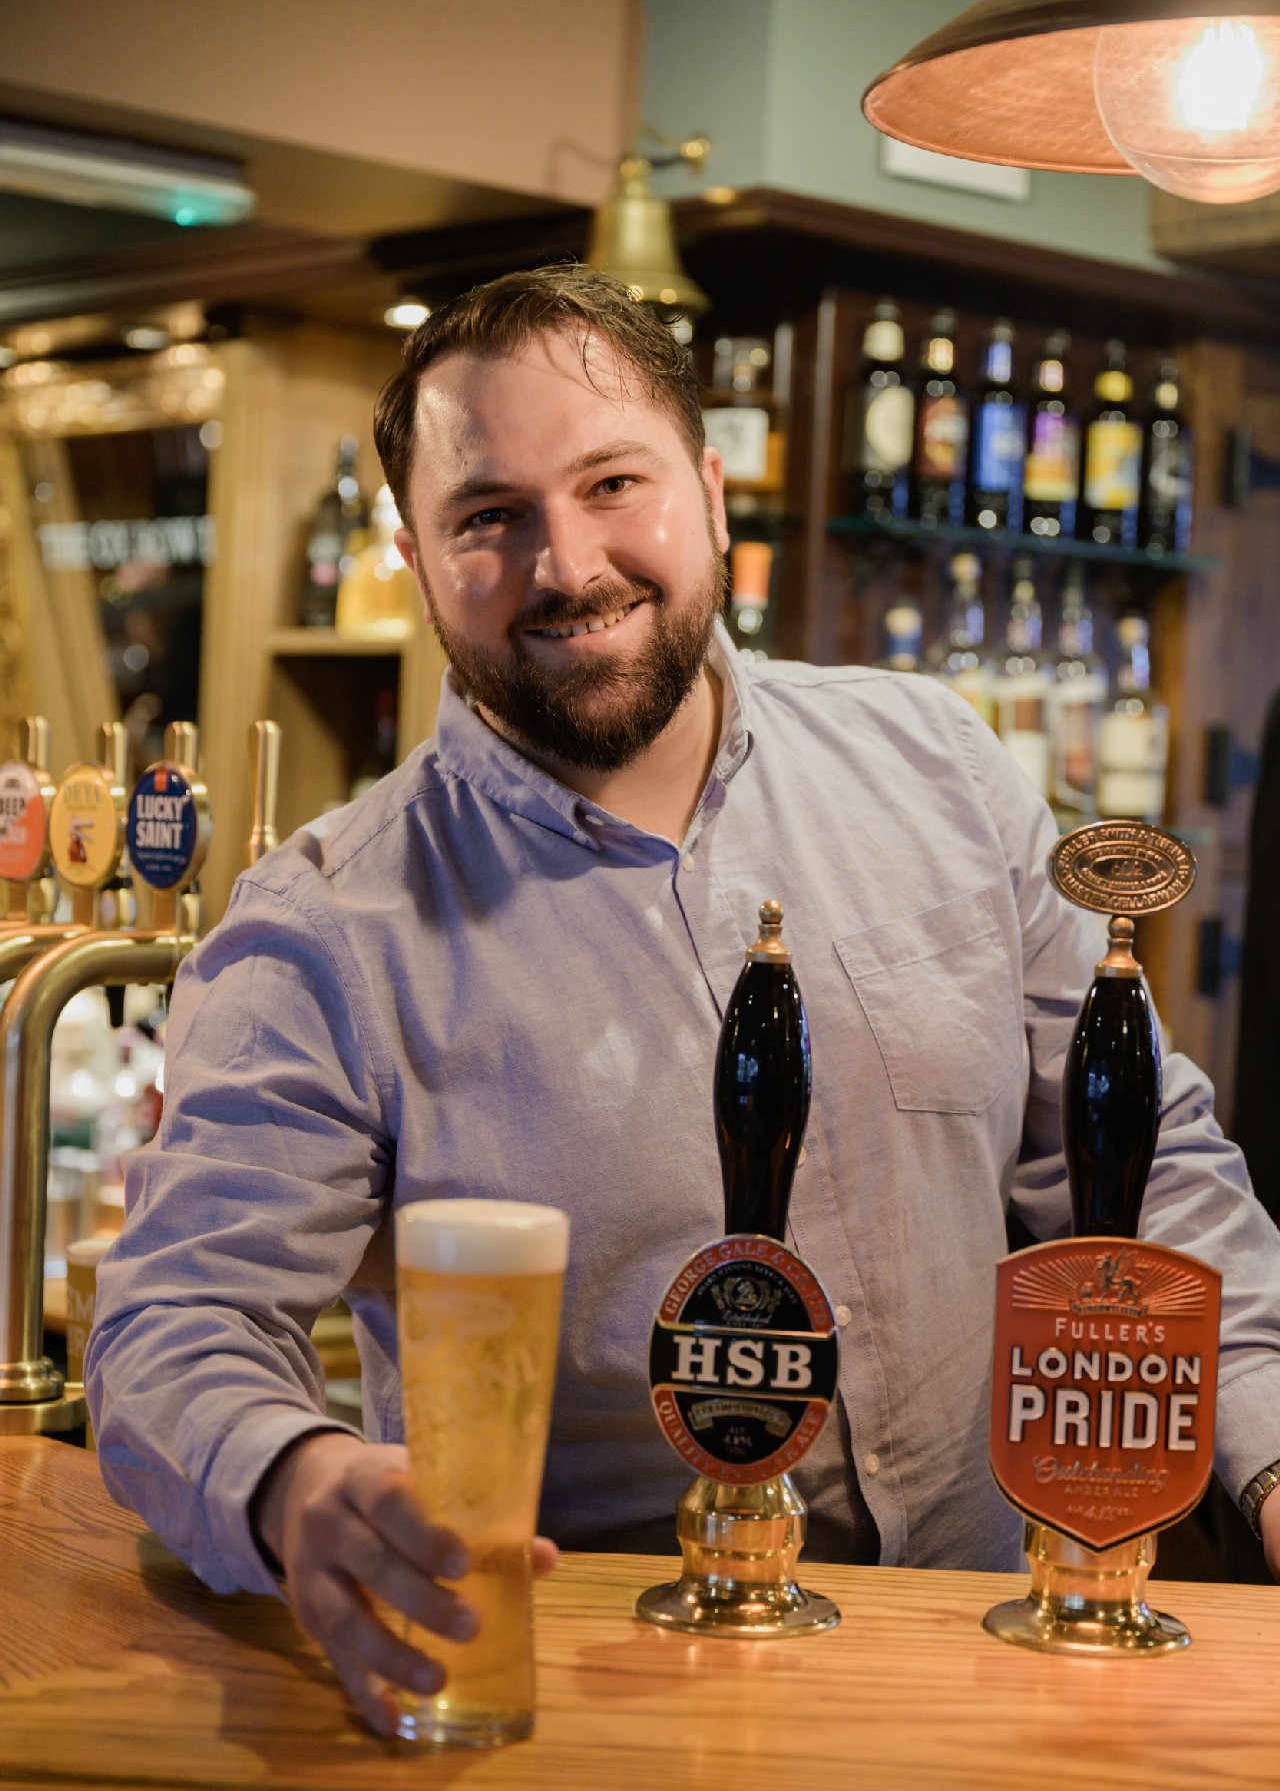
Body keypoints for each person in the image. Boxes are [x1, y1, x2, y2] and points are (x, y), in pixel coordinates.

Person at [88, 266, 1280, 1737]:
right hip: (598, 1694)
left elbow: (1153, 1168)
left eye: (611, 481)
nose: (568, 562)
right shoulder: (329, 926)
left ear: (712, 491)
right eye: (490, 515)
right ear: (411, 554)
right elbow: (175, 1320)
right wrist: (297, 1483)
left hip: (989, 1669)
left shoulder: (940, 770)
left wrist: (1273, 1457)